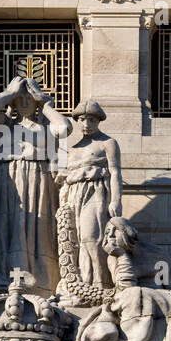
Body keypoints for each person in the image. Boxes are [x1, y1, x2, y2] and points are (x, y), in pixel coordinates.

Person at [0, 77, 72, 295]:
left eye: (28, 97)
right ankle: (8, 277)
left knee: (37, 226)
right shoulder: (5, 123)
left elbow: (65, 128)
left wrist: (46, 104)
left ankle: (41, 280)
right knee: (10, 226)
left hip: (39, 178)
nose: (23, 101)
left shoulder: (46, 126)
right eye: (19, 98)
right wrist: (11, 91)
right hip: (9, 179)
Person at [56, 99, 122, 298]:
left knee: (91, 237)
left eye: (91, 120)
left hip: (96, 191)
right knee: (74, 239)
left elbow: (115, 172)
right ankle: (79, 283)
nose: (86, 124)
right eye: (83, 119)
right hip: (73, 195)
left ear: (98, 120)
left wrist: (116, 200)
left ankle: (99, 284)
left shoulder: (108, 143)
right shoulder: (73, 148)